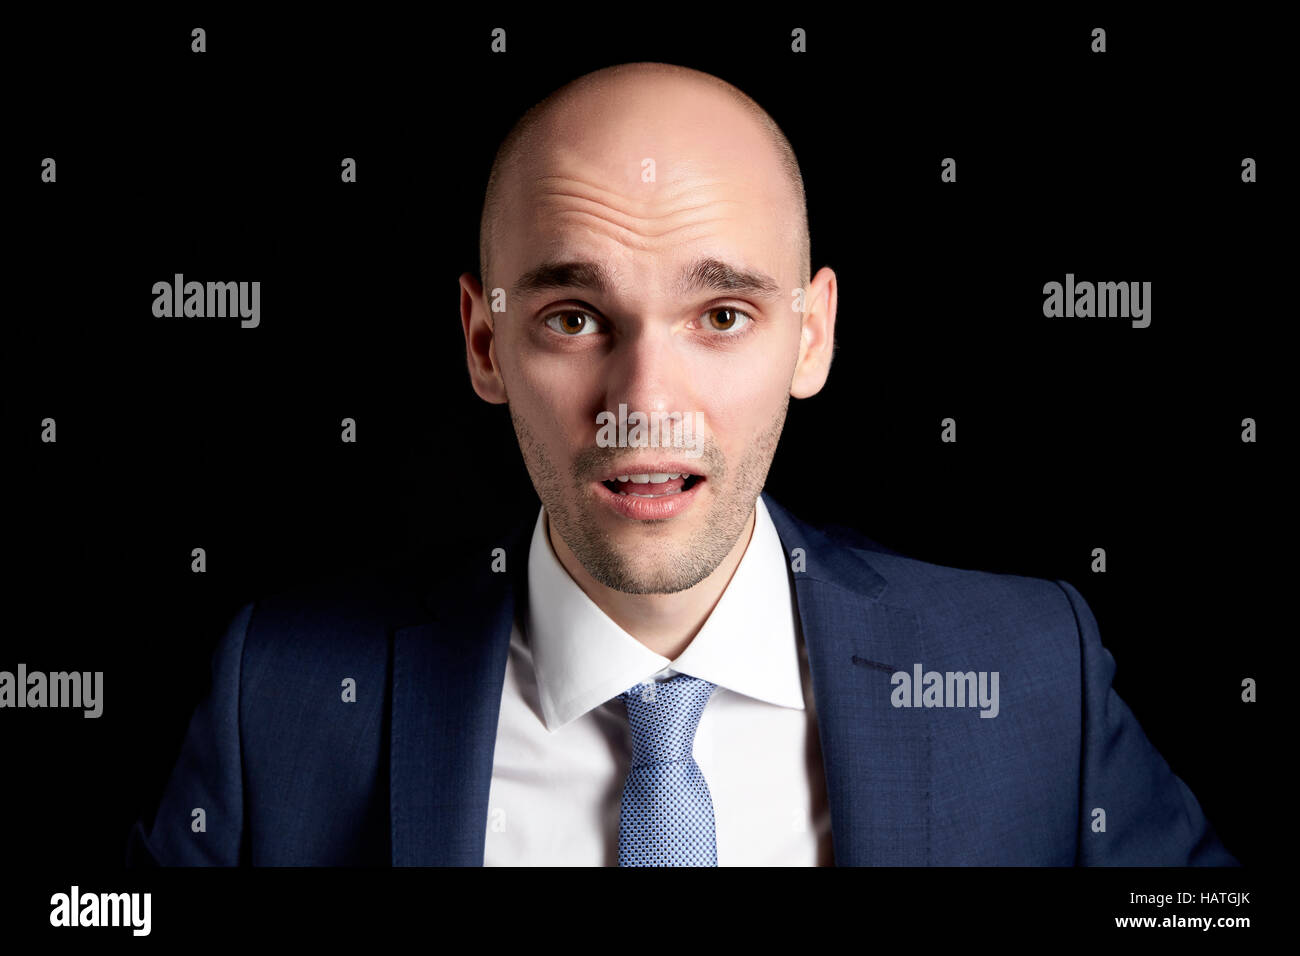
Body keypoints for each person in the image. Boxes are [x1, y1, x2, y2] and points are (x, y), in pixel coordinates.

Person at [128, 62, 1237, 866]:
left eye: (720, 312)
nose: (643, 406)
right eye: (572, 316)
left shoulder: (1032, 671)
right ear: (484, 343)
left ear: (812, 335)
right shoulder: (277, 695)